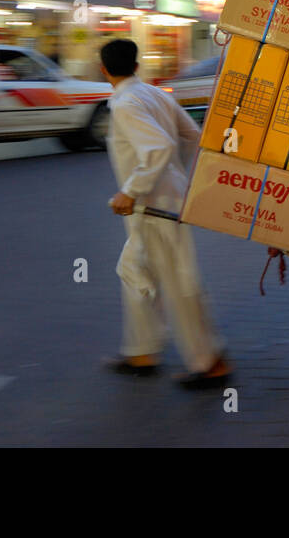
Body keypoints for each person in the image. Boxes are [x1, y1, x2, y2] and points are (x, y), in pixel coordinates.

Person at [99, 38, 230, 387]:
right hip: (158, 202)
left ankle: (209, 361)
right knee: (136, 273)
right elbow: (190, 136)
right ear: (136, 66)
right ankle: (142, 351)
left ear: (104, 70)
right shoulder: (157, 94)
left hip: (152, 206)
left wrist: (131, 190)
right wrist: (175, 174)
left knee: (177, 280)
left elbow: (159, 145)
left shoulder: (126, 102)